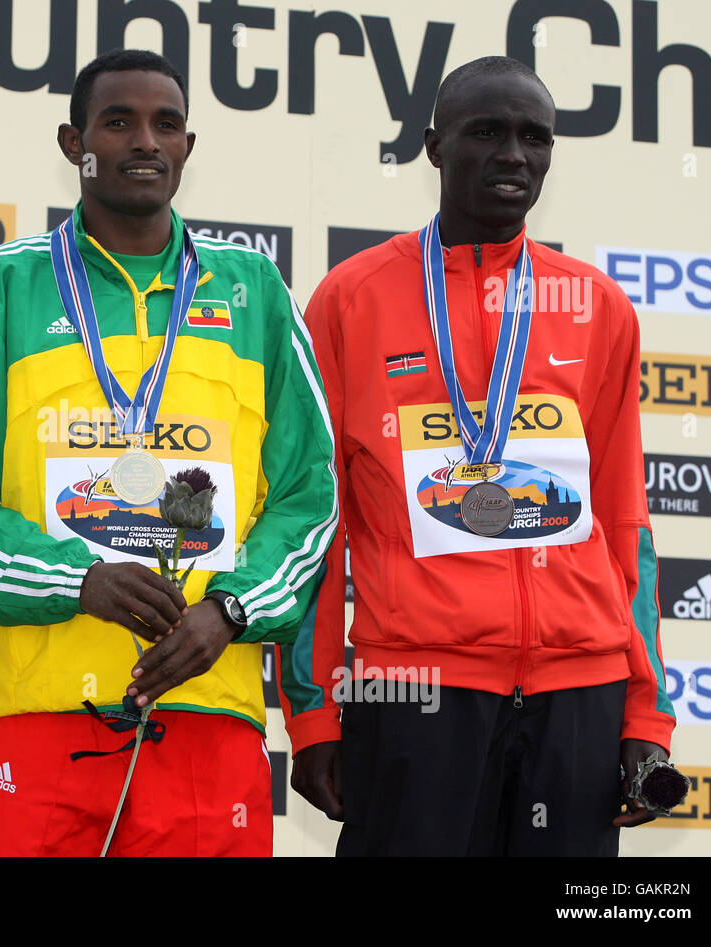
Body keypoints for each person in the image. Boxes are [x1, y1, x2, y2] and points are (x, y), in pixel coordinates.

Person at [0, 48, 337, 857]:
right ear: (74, 141)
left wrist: (231, 611)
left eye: (166, 124)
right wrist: (74, 580)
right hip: (39, 713)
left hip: (209, 713)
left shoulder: (255, 291)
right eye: (118, 122)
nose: (144, 141)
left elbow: (308, 497)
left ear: (187, 146)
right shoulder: (3, 285)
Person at [280, 56, 675, 856]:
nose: (514, 156)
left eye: (536, 137)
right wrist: (315, 711)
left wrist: (645, 711)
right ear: (434, 145)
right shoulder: (351, 299)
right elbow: (317, 522)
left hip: (580, 691)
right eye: (487, 132)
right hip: (416, 688)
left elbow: (624, 520)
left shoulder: (596, 306)